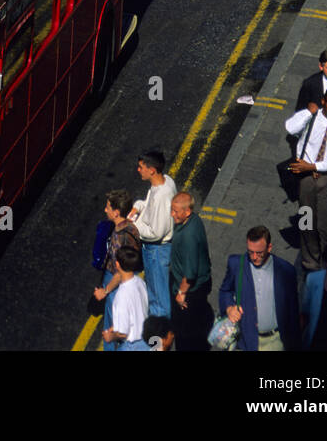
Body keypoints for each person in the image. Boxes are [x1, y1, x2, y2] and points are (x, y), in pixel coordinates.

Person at [285, 88, 327, 270]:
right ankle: (310, 261)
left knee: (326, 227)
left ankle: (326, 263)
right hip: (306, 180)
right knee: (306, 222)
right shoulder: (312, 119)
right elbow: (290, 128)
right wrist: (308, 112)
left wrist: (313, 166)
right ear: (323, 101)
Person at [218, 226, 301, 352]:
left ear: (269, 247)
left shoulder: (286, 271)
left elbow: (292, 310)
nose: (254, 257)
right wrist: (229, 307)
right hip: (245, 340)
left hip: (274, 342)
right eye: (250, 252)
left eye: (259, 253)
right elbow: (225, 291)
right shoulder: (237, 264)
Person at [92, 189, 142, 351]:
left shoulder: (118, 238)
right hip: (130, 277)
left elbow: (119, 273)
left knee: (112, 325)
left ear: (116, 212)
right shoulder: (131, 227)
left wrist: (105, 291)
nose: (105, 210)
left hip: (115, 281)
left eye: (108, 207)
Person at [129, 150, 175, 317]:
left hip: (156, 251)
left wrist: (133, 226)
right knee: (156, 291)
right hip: (154, 250)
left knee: (157, 299)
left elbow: (156, 232)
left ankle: (159, 339)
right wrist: (139, 206)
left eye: (141, 167)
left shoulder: (162, 196)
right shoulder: (164, 182)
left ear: (152, 170)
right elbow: (149, 205)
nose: (138, 170)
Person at [169, 192, 212, 351]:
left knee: (184, 331)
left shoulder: (188, 237)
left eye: (175, 211)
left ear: (187, 212)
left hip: (190, 291)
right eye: (172, 210)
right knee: (196, 324)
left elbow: (190, 273)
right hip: (202, 283)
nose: (172, 214)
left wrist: (181, 293)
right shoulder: (194, 220)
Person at [101, 243, 150, 351]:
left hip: (132, 346)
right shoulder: (140, 282)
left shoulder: (121, 296)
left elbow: (123, 333)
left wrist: (110, 337)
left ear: (117, 265)